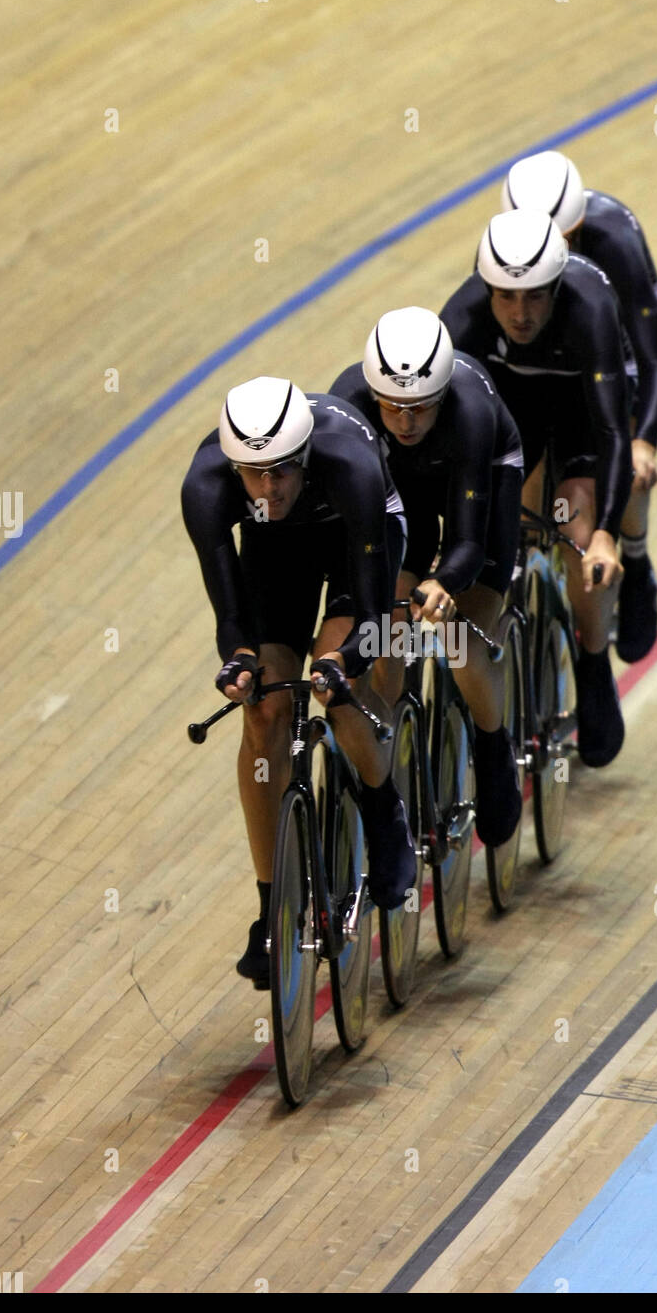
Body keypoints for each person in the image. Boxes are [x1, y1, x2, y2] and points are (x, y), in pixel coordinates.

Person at [181, 375, 416, 988]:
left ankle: (381, 803)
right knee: (262, 713)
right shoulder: (206, 488)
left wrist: (345, 663)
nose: (268, 486)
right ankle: (270, 910)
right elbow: (230, 614)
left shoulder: (350, 464)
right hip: (274, 558)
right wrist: (237, 662)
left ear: (305, 456)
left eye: (281, 471)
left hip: (354, 542)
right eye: (254, 474)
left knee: (339, 693)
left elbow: (370, 615)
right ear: (233, 468)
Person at [440, 208, 633, 767]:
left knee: (576, 522)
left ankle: (593, 664)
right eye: (505, 296)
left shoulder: (590, 306)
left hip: (578, 414)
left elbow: (612, 429)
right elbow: (453, 445)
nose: (519, 314)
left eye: (533, 297)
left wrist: (604, 536)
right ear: (486, 289)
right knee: (506, 519)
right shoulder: (462, 321)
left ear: (556, 288)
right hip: (509, 417)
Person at [331, 307, 524, 846]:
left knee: (463, 637)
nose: (407, 422)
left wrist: (443, 583)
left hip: (479, 481)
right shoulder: (347, 404)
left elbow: (467, 539)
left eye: (419, 407)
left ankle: (492, 748)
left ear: (441, 395)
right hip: (403, 500)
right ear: (372, 395)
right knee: (390, 623)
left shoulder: (469, 409)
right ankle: (387, 759)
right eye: (393, 407)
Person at [501, 150, 657, 661]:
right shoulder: (503, 255)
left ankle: (637, 564)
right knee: (523, 500)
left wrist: (644, 440)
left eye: (563, 246)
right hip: (539, 374)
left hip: (608, 366)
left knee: (630, 468)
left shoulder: (616, 243)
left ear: (578, 229)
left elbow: (655, 360)